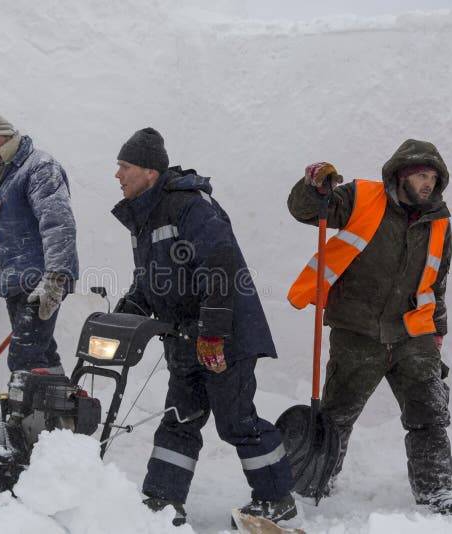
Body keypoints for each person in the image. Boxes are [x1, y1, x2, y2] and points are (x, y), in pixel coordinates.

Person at [111, 127, 295, 526]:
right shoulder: (144, 218)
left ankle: (277, 498)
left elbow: (221, 266)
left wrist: (212, 331)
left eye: (124, 167)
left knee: (236, 421)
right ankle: (162, 501)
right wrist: (127, 310)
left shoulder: (189, 207)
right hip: (185, 338)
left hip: (224, 334)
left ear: (149, 172)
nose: (118, 175)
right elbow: (151, 280)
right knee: (179, 417)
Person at [286, 138, 452, 515]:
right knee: (337, 415)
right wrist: (314, 187)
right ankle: (317, 480)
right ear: (401, 174)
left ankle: (436, 492)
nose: (428, 183)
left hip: (412, 333)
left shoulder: (439, 221)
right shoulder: (362, 197)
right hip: (358, 330)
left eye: (433, 177)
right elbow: (307, 210)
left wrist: (438, 331)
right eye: (420, 175)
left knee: (429, 415)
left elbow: (438, 280)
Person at [0, 112, 78, 375]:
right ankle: (63, 412)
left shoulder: (39, 167)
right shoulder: (3, 178)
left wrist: (55, 278)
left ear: (8, 134)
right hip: (17, 283)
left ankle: (27, 418)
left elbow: (58, 224)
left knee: (24, 359)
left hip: (41, 280)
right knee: (42, 355)